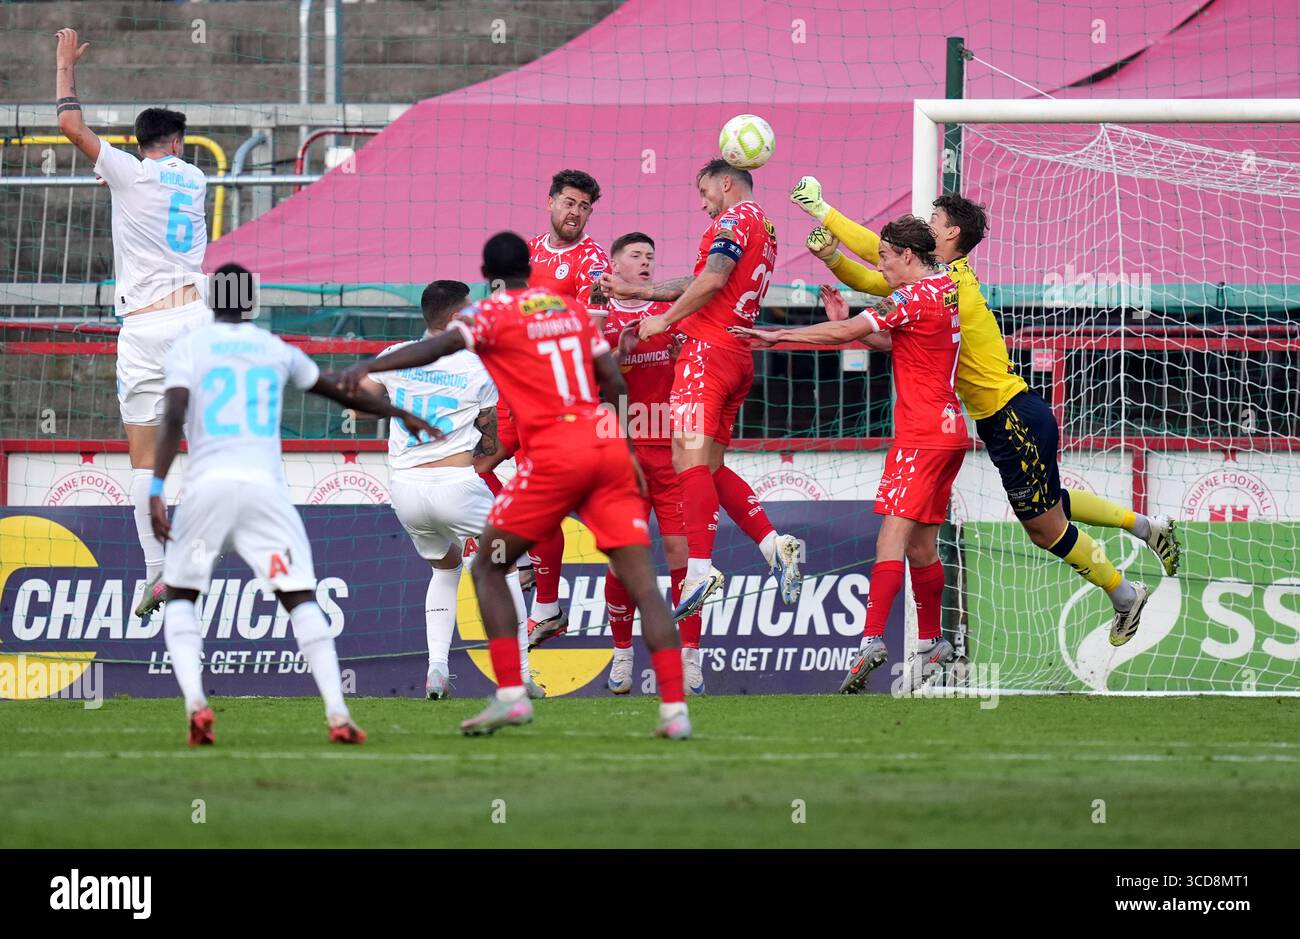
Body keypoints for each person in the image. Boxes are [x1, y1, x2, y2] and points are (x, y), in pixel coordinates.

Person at [792, 178, 1177, 647]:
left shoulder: (946, 282)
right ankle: (1146, 528)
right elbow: (883, 263)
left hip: (1010, 414)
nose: (924, 228)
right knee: (1046, 505)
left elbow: (878, 264)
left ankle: (1124, 594)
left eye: (933, 222)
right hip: (1008, 414)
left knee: (1044, 528)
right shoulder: (946, 280)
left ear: (950, 235)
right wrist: (833, 254)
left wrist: (825, 216)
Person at [340, 233, 692, 739]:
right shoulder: (570, 311)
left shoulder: (492, 314)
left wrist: (373, 365)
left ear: (490, 275)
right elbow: (612, 380)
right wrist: (627, 449)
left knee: (488, 564)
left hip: (551, 457)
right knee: (641, 579)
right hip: (605, 447)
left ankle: (511, 695)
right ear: (531, 266)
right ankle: (675, 710)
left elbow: (436, 346)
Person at [150, 264, 436, 745]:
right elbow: (338, 391)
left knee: (182, 595)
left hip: (207, 491)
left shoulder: (188, 348)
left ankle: (197, 706)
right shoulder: (273, 349)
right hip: (264, 491)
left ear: (210, 302)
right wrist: (399, 412)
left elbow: (174, 413)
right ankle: (337, 713)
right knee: (299, 596)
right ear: (250, 303)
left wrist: (156, 488)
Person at [732, 217, 967, 693]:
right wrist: (847, 321)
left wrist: (779, 336)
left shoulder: (912, 295)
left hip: (921, 435)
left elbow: (848, 336)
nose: (880, 266)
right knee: (921, 545)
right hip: (949, 431)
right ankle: (934, 640)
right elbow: (897, 342)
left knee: (890, 540)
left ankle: (871, 639)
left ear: (907, 255)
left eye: (883, 257)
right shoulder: (944, 287)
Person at [600, 159, 802, 621]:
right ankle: (774, 545)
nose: (701, 202)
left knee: (685, 461)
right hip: (736, 355)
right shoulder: (765, 227)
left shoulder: (733, 219)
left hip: (706, 356)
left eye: (704, 191)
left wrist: (663, 322)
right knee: (709, 466)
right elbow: (701, 279)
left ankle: (700, 569)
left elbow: (710, 280)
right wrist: (643, 292)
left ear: (725, 183)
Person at [56, 27, 213, 618]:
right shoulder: (195, 179)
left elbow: (73, 129)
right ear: (177, 144)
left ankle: (155, 571)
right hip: (196, 319)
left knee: (144, 461)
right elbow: (147, 179)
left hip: (145, 331)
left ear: (137, 142)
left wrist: (65, 66)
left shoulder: (130, 172)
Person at [352, 280, 543, 701]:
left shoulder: (395, 357)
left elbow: (356, 404)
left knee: (445, 568)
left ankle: (436, 669)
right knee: (507, 566)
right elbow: (490, 442)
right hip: (456, 488)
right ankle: (521, 675)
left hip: (405, 492)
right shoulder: (478, 366)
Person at [478, 169, 612, 648]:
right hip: (512, 396)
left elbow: (589, 330)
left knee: (544, 501)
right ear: (551, 201)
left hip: (555, 403)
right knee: (472, 469)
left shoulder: (594, 262)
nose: (575, 212)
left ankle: (547, 607)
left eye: (584, 206)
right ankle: (531, 562)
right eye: (569, 202)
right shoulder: (526, 252)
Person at [599, 232, 706, 695]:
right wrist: (617, 356)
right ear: (614, 265)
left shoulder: (668, 314)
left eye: (650, 256)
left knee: (684, 556)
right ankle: (622, 655)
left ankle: (690, 658)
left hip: (673, 448)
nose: (645, 262)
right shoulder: (597, 319)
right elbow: (593, 383)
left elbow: (701, 309)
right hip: (623, 454)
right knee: (624, 562)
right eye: (636, 256)